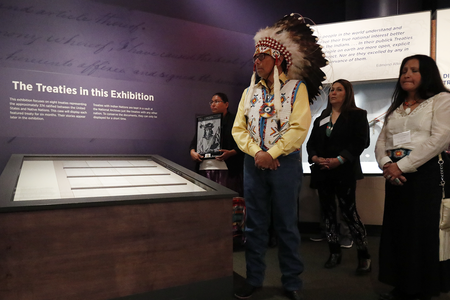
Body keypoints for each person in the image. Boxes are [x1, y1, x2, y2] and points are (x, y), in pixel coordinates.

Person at [232, 13, 328, 300]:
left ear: (278, 58)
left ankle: (292, 281)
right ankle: (254, 277)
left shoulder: (296, 89)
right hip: (254, 163)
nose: (256, 61)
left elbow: (299, 128)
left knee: (286, 223)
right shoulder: (249, 93)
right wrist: (259, 153)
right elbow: (239, 129)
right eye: (255, 57)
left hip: (284, 163)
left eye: (262, 56)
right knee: (255, 223)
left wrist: (272, 153)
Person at [375, 54, 450, 300]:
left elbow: (439, 139)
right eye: (404, 70)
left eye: (414, 70)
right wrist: (387, 164)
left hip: (424, 175)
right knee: (398, 231)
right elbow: (381, 141)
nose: (407, 74)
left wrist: (403, 166)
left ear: (426, 74)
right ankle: (402, 283)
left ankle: (421, 288)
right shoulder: (396, 108)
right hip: (395, 176)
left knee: (421, 232)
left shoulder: (441, 100)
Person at [306, 79, 371, 274]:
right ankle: (334, 252)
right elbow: (311, 145)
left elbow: (361, 142)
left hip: (344, 171)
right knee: (327, 214)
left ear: (347, 93)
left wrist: (340, 160)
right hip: (323, 172)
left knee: (349, 213)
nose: (333, 93)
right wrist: (315, 157)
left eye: (338, 89)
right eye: (331, 89)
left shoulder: (357, 116)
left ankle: (364, 255)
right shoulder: (321, 118)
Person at [190, 92, 244, 196]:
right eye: (211, 102)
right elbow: (194, 144)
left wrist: (231, 153)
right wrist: (192, 153)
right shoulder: (205, 122)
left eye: (217, 101)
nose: (213, 104)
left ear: (226, 105)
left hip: (227, 169)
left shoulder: (236, 120)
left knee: (226, 200)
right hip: (204, 167)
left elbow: (243, 144)